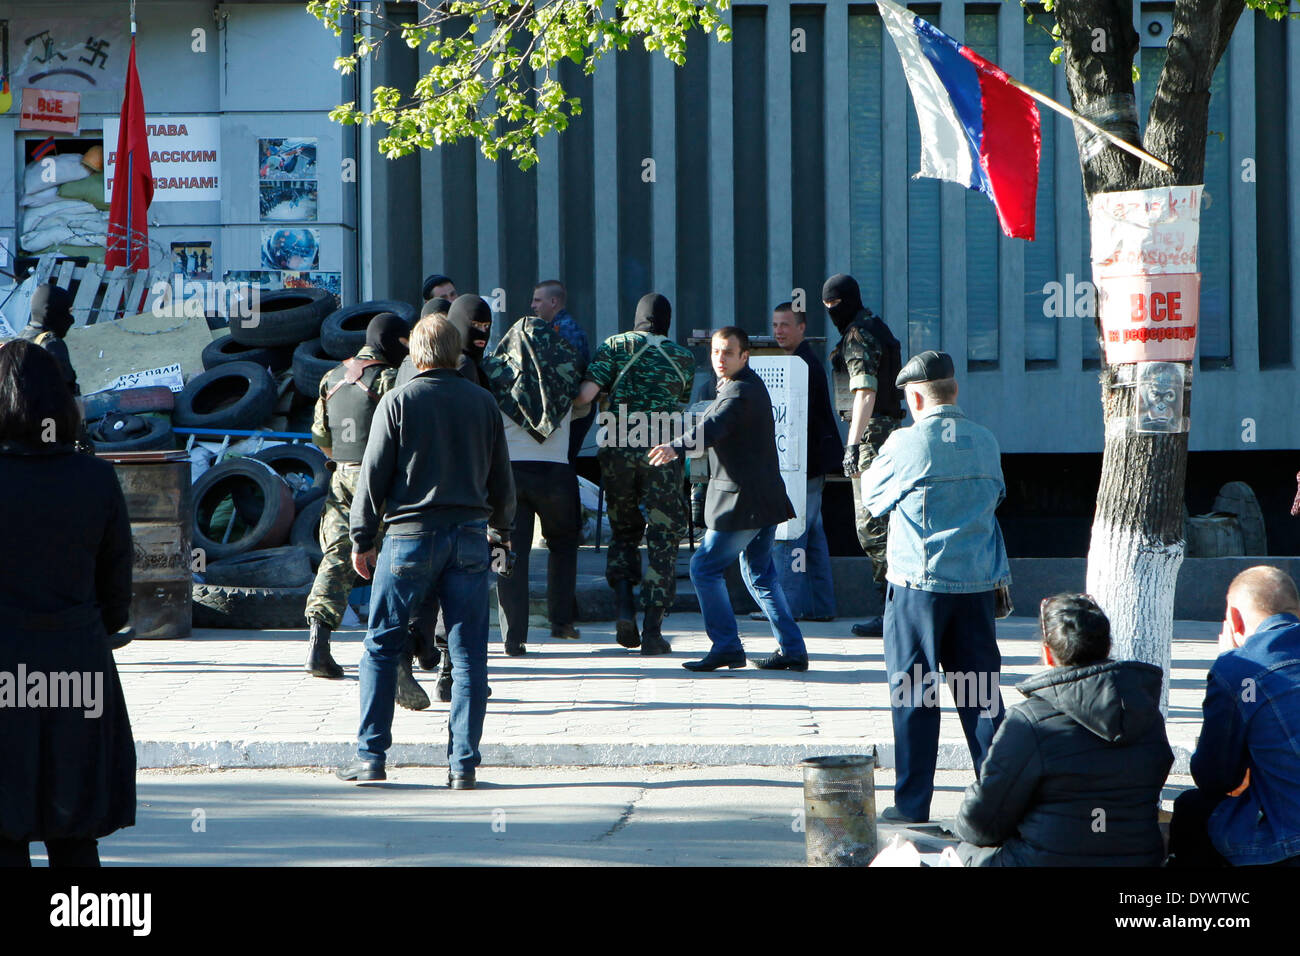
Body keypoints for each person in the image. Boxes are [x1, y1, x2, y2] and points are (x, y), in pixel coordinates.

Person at [338, 316, 515, 788]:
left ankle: (371, 758)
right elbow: (502, 479)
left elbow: (372, 478)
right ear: (456, 352)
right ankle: (462, 766)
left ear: (417, 354)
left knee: (380, 644)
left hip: (408, 538)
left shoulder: (397, 401)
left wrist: (361, 538)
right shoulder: (483, 403)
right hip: (470, 538)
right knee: (470, 653)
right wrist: (503, 529)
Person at [0, 340, 135, 867]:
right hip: (75, 663)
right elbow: (118, 587)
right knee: (74, 827)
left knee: (5, 826)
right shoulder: (95, 478)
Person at [860, 350, 1010, 823]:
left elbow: (872, 499)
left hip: (919, 589)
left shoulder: (908, 442)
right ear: (954, 390)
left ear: (916, 397)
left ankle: (912, 806)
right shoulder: (986, 440)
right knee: (981, 696)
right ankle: (1000, 803)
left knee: (914, 695)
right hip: (977, 587)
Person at [954, 594, 1173, 866]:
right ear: (1107, 647)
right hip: (1140, 861)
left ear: (1048, 653)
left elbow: (981, 822)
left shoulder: (1029, 722)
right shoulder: (1147, 715)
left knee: (965, 852)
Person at [649, 327, 808, 673]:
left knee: (703, 567)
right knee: (761, 575)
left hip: (744, 503)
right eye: (716, 352)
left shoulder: (740, 391)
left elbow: (714, 427)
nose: (720, 359)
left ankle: (726, 646)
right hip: (762, 500)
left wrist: (675, 447)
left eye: (728, 353)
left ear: (744, 357)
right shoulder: (739, 386)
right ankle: (793, 650)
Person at [304, 314, 430, 708]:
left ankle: (318, 642)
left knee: (337, 556)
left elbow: (321, 437)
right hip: (383, 481)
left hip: (341, 475)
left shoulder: (331, 378)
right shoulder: (393, 380)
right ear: (393, 341)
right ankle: (399, 658)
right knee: (394, 564)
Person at [575, 293, 695, 655]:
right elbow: (680, 401)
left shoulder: (614, 345)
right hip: (663, 452)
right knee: (663, 537)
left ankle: (624, 608)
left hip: (617, 451)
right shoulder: (683, 357)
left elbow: (586, 396)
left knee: (624, 531)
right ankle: (654, 631)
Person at [1169, 566, 1300, 867]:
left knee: (1192, 809)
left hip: (1289, 842)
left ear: (1235, 618)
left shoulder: (1241, 671)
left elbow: (1214, 776)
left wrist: (1229, 664)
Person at [481, 309, 586, 653]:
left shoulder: (495, 373)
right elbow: (584, 407)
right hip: (556, 472)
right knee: (564, 544)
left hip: (508, 473)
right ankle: (562, 620)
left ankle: (512, 635)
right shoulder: (567, 374)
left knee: (504, 548)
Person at [822, 273, 904, 637]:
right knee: (887, 523)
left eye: (834, 306)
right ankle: (895, 610)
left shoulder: (858, 336)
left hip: (872, 438)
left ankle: (892, 610)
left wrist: (853, 444)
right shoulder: (875, 326)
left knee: (872, 526)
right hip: (888, 433)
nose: (831, 314)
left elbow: (865, 393)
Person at [767, 301, 842, 622]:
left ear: (802, 328)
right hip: (814, 462)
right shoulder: (803, 361)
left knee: (793, 534)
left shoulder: (802, 365)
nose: (778, 331)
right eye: (775, 325)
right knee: (812, 536)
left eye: (785, 325)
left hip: (805, 464)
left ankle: (788, 606)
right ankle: (821, 606)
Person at [531, 280, 592, 466]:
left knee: (563, 463)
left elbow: (567, 377)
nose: (532, 305)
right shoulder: (554, 329)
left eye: (537, 300)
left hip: (573, 412)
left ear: (553, 302)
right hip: (568, 411)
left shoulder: (564, 330)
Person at [20, 282, 80, 397]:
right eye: (68, 312)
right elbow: (67, 391)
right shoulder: (52, 344)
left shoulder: (20, 337)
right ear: (53, 311)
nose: (71, 320)